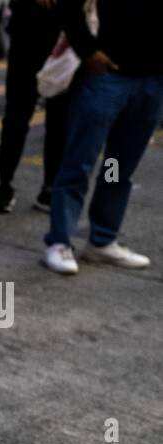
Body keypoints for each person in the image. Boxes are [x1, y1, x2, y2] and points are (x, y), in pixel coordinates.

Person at [41, 0, 163, 275]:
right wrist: (87, 50)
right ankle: (59, 241)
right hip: (106, 76)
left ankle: (103, 239)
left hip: (152, 81)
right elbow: (68, 6)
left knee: (118, 167)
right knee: (79, 162)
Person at [0, 0, 69, 213]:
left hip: (61, 42)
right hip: (28, 37)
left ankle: (49, 187)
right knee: (17, 116)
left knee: (57, 119)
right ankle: (5, 184)